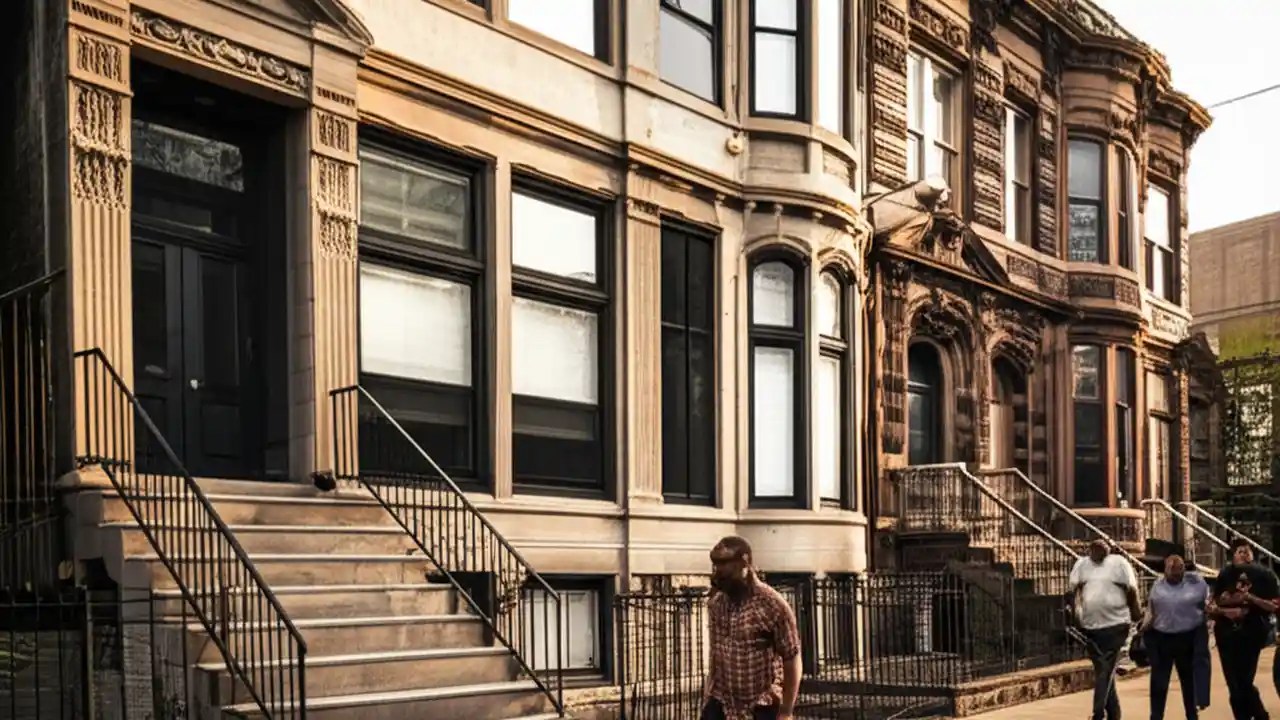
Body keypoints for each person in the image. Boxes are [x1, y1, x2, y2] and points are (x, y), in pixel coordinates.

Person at [701, 536, 802, 720]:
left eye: (724, 564)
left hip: (761, 705)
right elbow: (715, 657)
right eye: (715, 564)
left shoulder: (773, 605)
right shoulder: (717, 604)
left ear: (744, 563)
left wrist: (786, 711)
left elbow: (792, 658)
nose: (718, 571)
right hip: (722, 703)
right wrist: (708, 699)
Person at [1068, 539, 1141, 720]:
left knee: (1105, 669)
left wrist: (1136, 614)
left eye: (1102, 549)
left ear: (1108, 550)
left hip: (1117, 625)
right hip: (1091, 627)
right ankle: (1114, 714)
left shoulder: (1119, 563)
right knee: (1104, 670)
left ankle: (1098, 713)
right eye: (1094, 549)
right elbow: (1074, 592)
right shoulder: (1081, 565)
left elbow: (1132, 591)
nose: (1098, 553)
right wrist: (1077, 616)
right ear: (1089, 550)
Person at [1209, 536, 1278, 720]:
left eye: (1247, 550)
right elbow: (1216, 602)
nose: (1244, 554)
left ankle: (1261, 715)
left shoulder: (1265, 575)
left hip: (1252, 633)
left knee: (1245, 681)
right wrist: (1227, 609)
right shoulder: (1225, 574)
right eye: (1239, 551)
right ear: (1233, 555)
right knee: (1233, 684)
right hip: (1226, 634)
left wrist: (1250, 599)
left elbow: (1274, 606)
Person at [1143, 554, 1211, 719]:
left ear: (1183, 569)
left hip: (1187, 638)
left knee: (1188, 681)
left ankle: (1192, 714)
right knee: (1159, 682)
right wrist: (1144, 628)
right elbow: (1151, 611)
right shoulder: (1157, 586)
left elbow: (1207, 604)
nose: (1175, 573)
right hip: (1162, 638)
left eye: (1178, 570)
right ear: (1165, 570)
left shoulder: (1196, 583)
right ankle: (1156, 716)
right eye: (1171, 570)